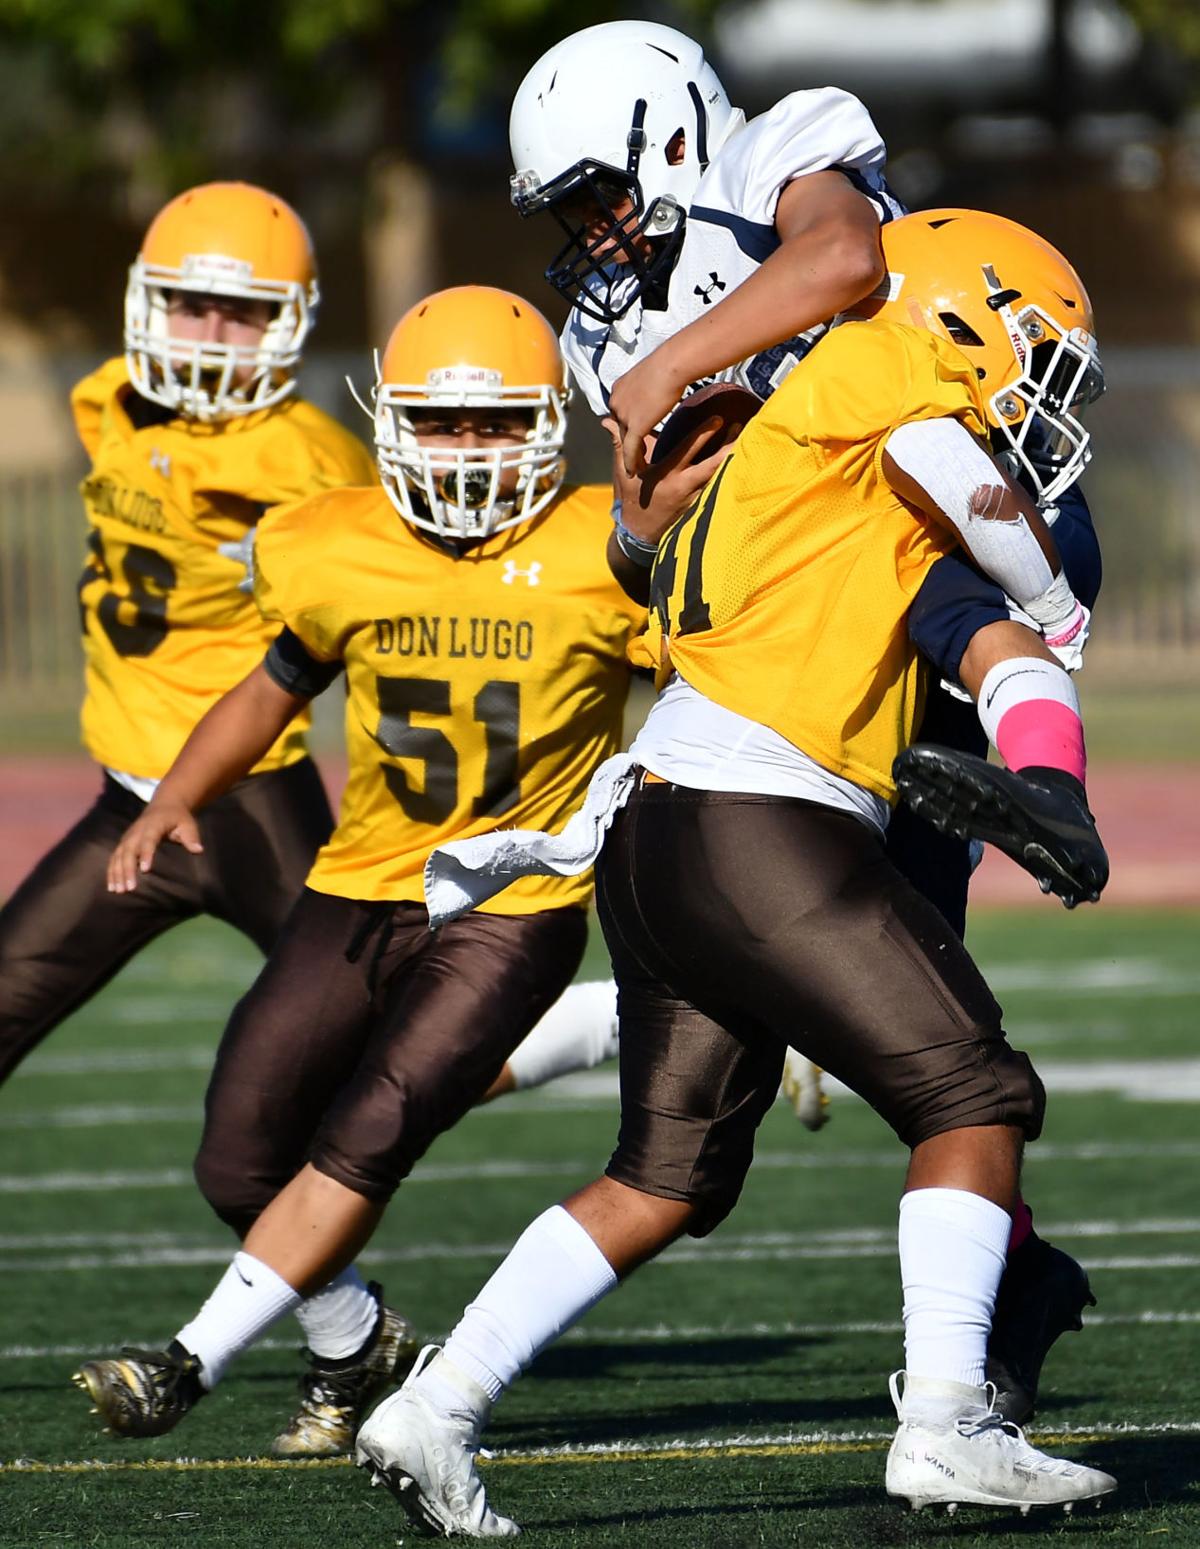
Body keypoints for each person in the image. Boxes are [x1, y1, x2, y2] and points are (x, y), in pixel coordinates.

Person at [353, 211, 1118, 1534]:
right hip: (766, 818)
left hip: (657, 823)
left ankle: (434, 1405)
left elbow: (986, 632)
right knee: (976, 1092)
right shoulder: (899, 405)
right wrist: (1050, 698)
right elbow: (1018, 615)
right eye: (1032, 350)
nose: (1040, 390)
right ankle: (946, 1426)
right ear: (955, 325)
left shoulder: (805, 452)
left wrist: (1039, 708)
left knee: (665, 1179)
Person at [509, 21, 1104, 1415]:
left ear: (668, 136)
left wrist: (676, 368)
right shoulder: (610, 331)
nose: (589, 237)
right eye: (565, 214)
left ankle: (1054, 787)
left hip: (942, 495)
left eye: (598, 193)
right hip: (814, 629)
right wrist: (637, 513)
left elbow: (844, 260)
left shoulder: (774, 149)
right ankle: (1010, 1306)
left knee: (931, 1035)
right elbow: (653, 552)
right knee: (916, 1036)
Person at [73, 284, 655, 1458]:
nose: (467, 448)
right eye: (440, 422)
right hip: (361, 880)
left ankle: (189, 1358)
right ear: (392, 422)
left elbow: (717, 687)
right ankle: (360, 1353)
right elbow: (272, 686)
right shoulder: (337, 540)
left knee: (373, 1121)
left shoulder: (605, 552)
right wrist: (177, 794)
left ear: (549, 424)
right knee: (238, 1145)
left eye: (494, 423)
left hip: (514, 899)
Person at [0, 181, 373, 1080]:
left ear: (286, 323)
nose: (207, 334)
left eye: (239, 314)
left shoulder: (316, 458)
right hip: (128, 799)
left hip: (252, 797)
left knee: (387, 1039)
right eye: (190, 306)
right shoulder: (111, 401)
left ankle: (597, 1024)